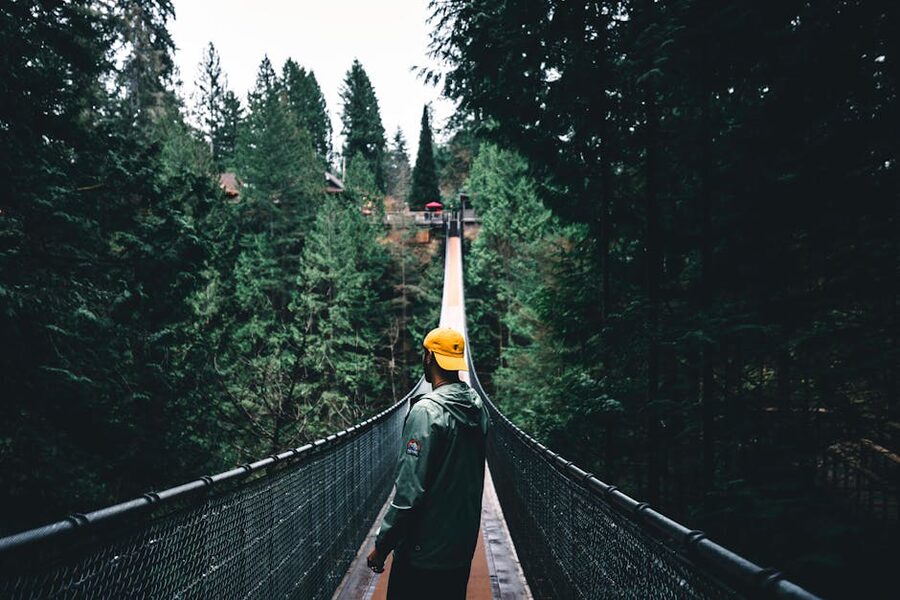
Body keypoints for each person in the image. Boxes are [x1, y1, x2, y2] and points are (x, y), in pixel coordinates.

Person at [366, 327, 491, 600]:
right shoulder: (477, 406)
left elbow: (410, 493)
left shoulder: (426, 412)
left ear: (430, 357)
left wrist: (382, 546)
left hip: (422, 554)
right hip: (459, 550)